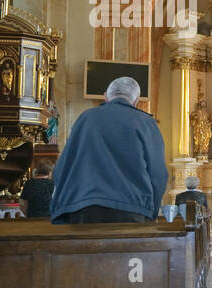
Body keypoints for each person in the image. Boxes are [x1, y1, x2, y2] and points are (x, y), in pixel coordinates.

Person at [51, 76, 168, 224]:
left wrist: (59, 209)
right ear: (136, 100)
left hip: (84, 208)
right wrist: (151, 212)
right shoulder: (146, 123)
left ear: (106, 96)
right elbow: (158, 175)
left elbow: (63, 167)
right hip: (131, 210)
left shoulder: (85, 118)